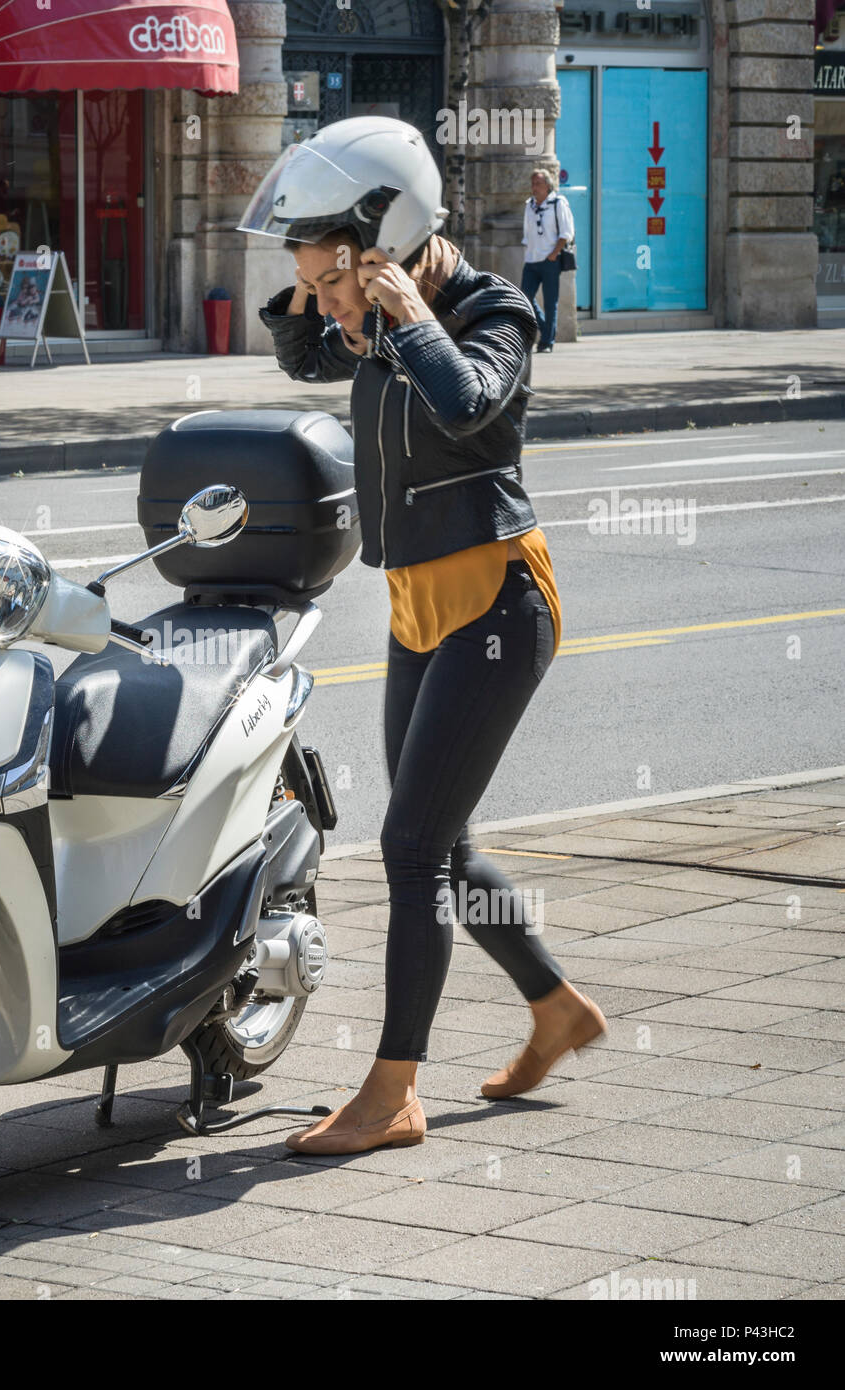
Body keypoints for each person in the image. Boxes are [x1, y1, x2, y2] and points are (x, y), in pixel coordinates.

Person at [242, 117, 606, 1155]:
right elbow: (304, 358)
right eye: (324, 287)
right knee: (441, 842)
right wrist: (312, 301)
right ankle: (555, 1008)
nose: (333, 312)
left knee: (411, 849)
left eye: (341, 284)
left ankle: (392, 1090)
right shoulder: (358, 312)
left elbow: (468, 404)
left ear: (390, 249)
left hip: (497, 603)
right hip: (416, 604)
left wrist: (402, 320)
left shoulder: (491, 310)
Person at [521, 169, 574, 353]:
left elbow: (566, 233)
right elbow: (526, 233)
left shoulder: (558, 203)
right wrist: (527, 252)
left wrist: (554, 254)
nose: (534, 187)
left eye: (538, 183)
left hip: (550, 260)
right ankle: (545, 330)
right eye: (533, 183)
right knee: (525, 297)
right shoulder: (529, 205)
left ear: (547, 186)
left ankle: (547, 342)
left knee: (551, 303)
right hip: (531, 260)